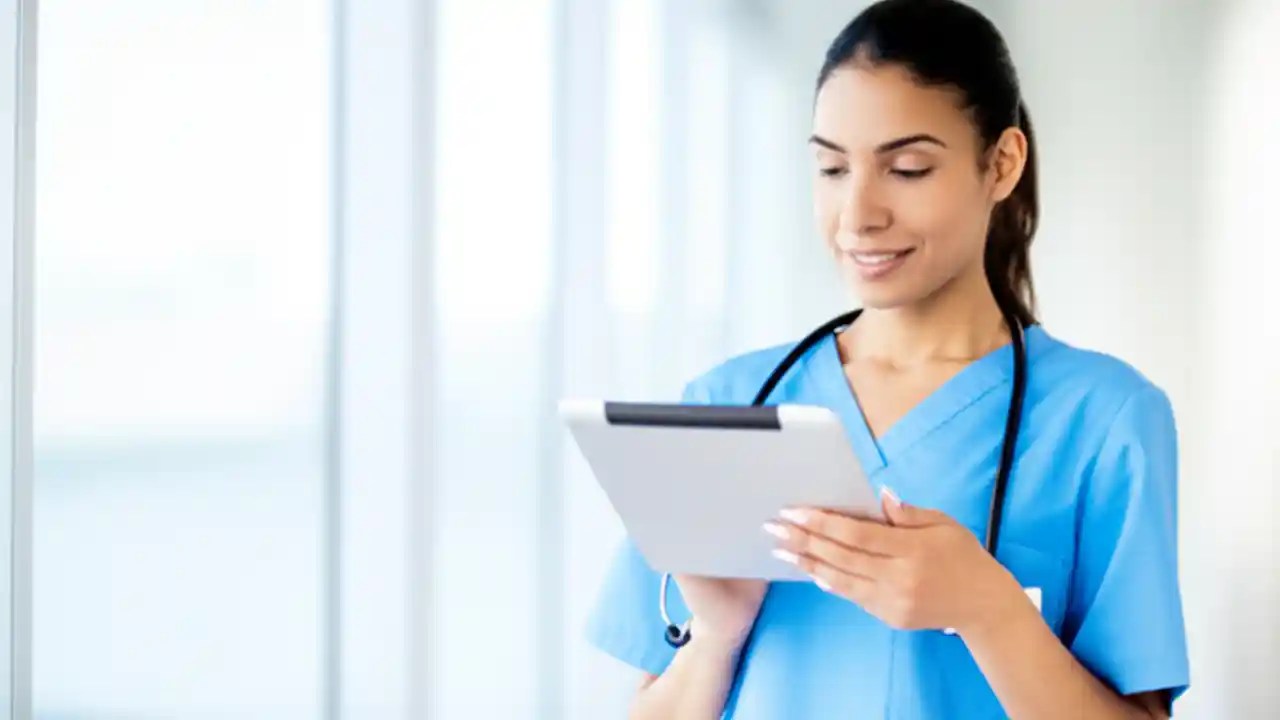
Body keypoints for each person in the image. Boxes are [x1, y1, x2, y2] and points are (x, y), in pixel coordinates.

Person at [583, 0, 1191, 718]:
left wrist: (988, 609)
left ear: (1001, 164)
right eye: (833, 168)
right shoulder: (726, 405)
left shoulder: (1104, 419)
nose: (857, 214)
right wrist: (715, 636)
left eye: (906, 169)